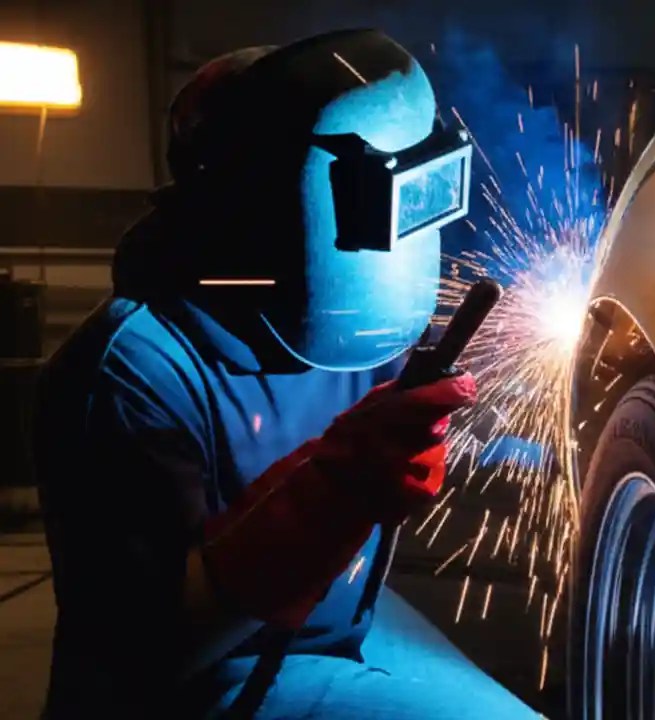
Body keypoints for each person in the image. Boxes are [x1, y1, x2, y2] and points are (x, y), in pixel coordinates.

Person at [32, 29, 536, 719]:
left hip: (339, 620)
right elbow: (143, 648)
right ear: (260, 204)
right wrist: (327, 497)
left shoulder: (364, 319)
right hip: (191, 679)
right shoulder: (129, 372)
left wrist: (522, 448)